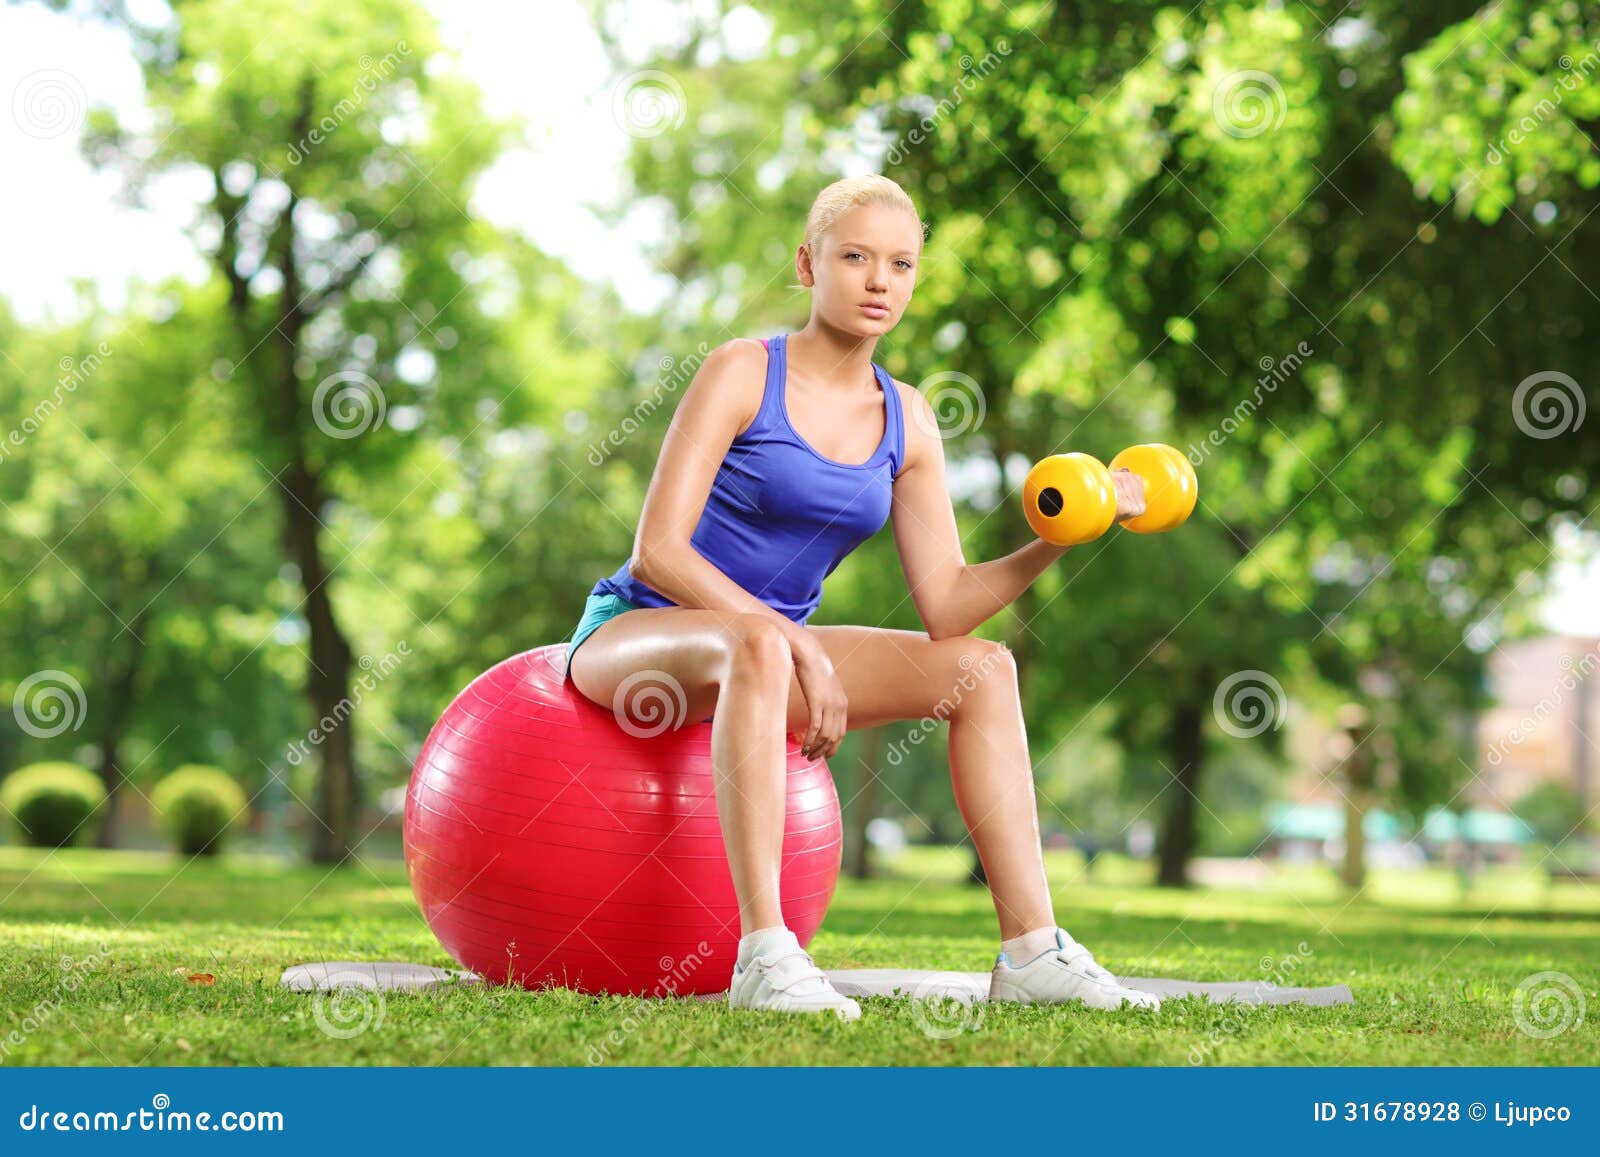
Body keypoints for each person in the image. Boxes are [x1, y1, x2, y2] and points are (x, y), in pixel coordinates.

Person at [567, 174, 1159, 1020]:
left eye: (902, 264)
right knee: (762, 644)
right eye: (856, 257)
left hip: (768, 661)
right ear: (808, 265)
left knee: (984, 668)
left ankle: (1033, 949)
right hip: (640, 633)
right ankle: (766, 957)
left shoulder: (909, 418)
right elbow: (657, 551)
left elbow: (948, 605)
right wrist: (793, 641)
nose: (880, 280)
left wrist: (1060, 538)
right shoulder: (742, 370)